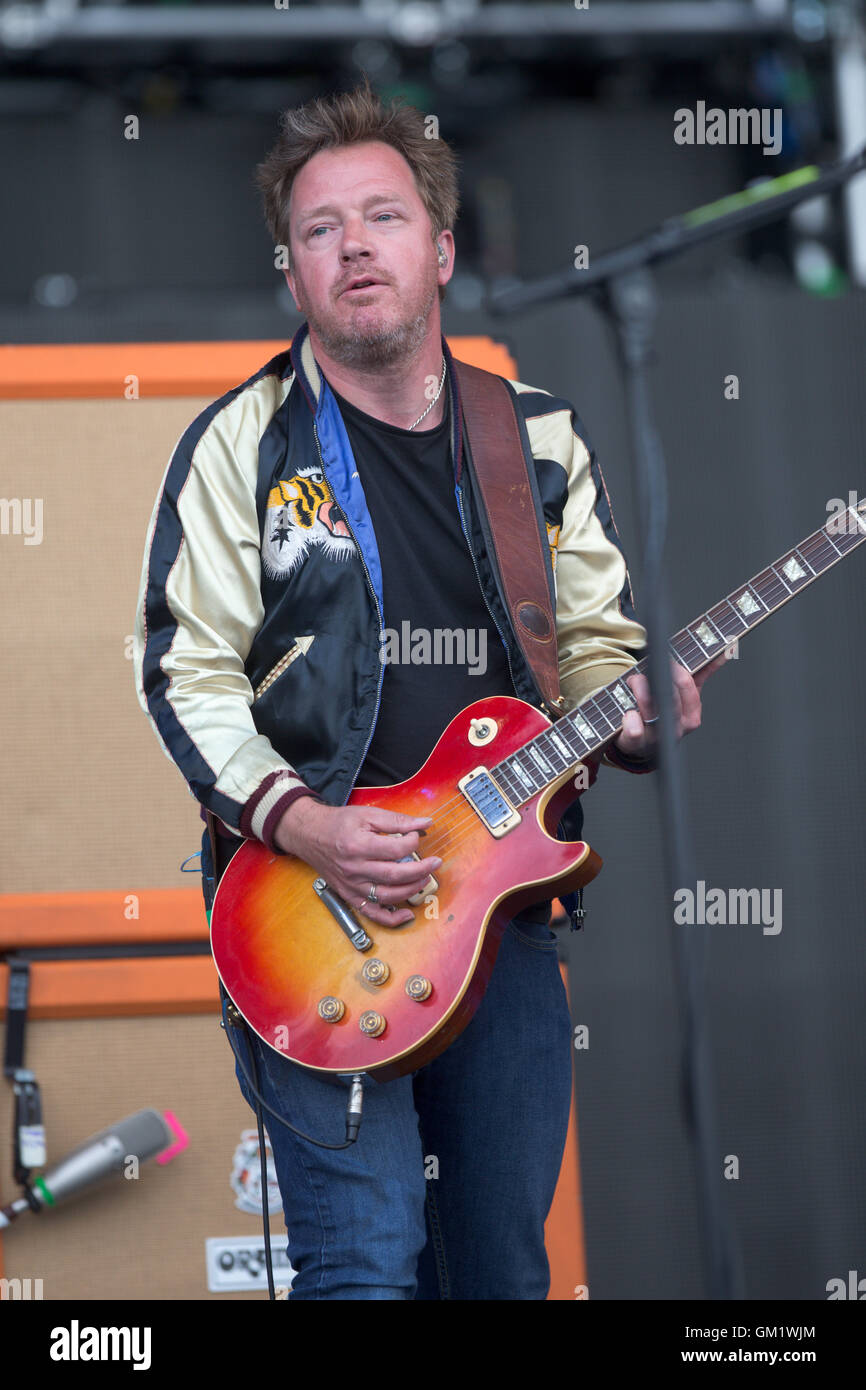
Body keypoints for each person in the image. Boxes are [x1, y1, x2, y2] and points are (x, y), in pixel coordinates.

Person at [133, 80, 724, 1299]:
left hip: (495, 909)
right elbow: (185, 673)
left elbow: (597, 645)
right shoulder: (238, 445)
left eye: (383, 217)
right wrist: (311, 826)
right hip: (306, 908)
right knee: (362, 1264)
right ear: (289, 273)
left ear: (441, 249)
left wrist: (637, 706)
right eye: (319, 228)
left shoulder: (535, 439)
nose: (353, 245)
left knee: (499, 1270)